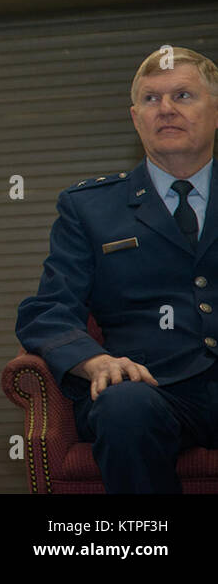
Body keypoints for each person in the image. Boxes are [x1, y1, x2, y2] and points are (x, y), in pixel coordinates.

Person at [16, 45, 218, 492]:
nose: (165, 109)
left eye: (183, 95)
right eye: (151, 99)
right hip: (152, 388)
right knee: (122, 408)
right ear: (134, 118)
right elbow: (47, 311)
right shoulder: (90, 208)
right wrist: (93, 360)